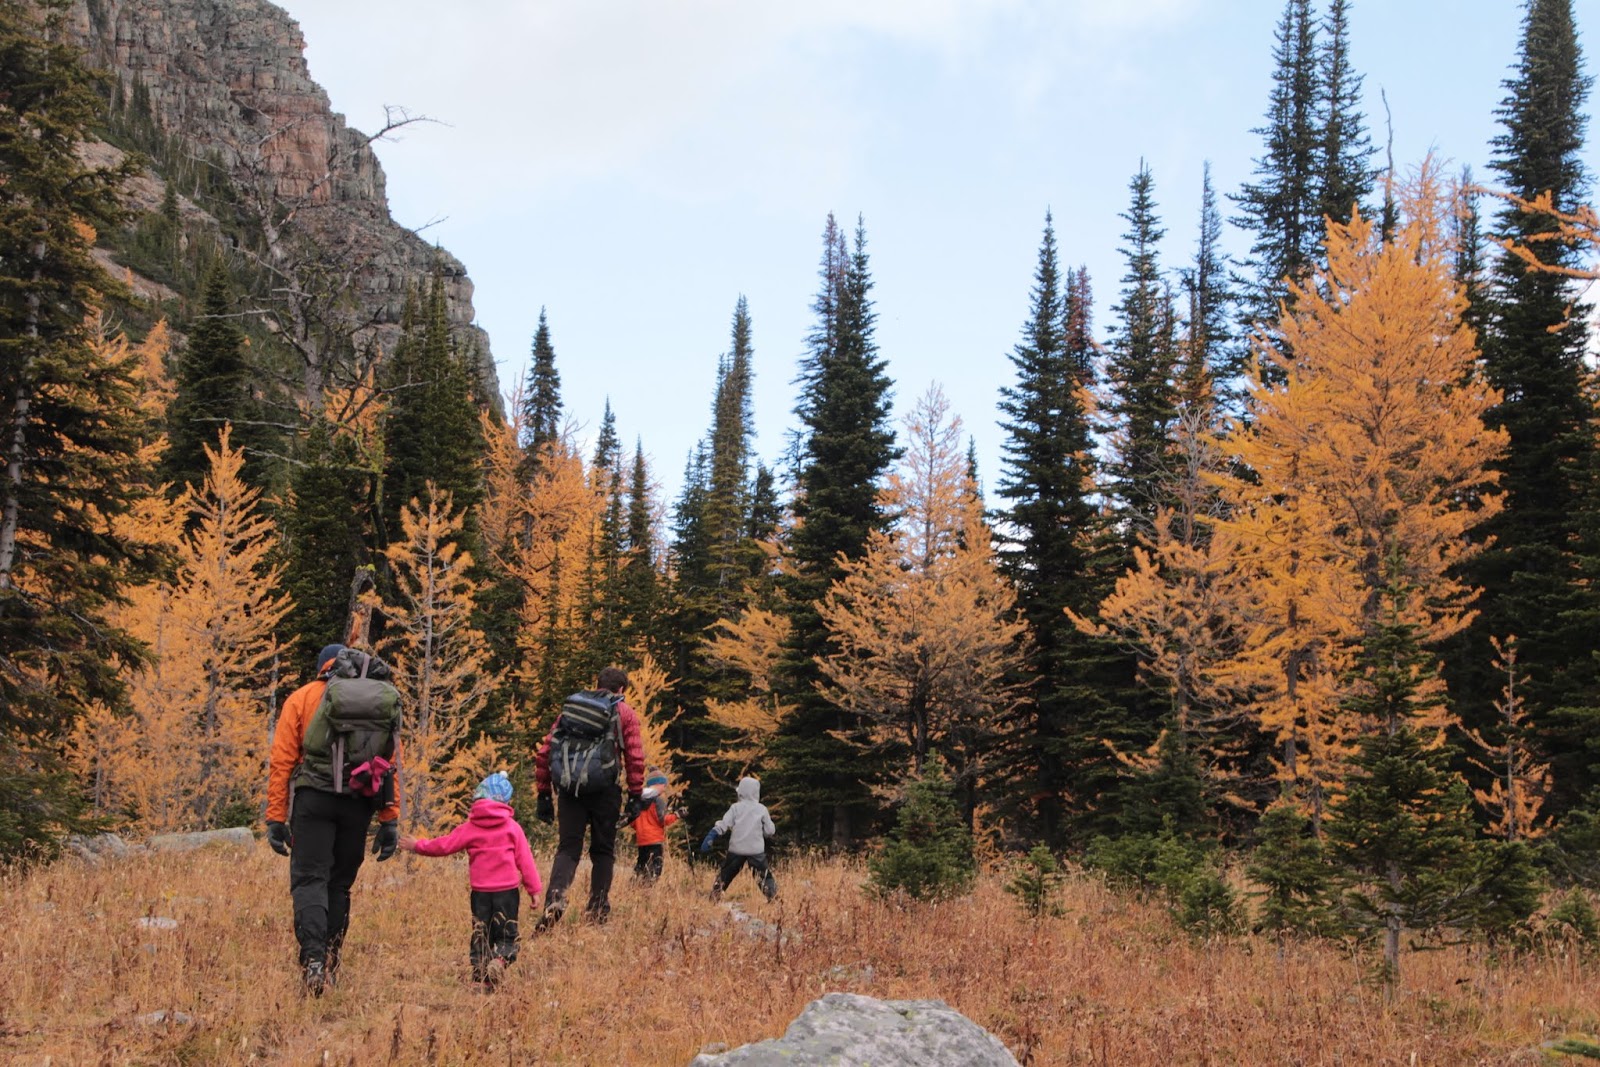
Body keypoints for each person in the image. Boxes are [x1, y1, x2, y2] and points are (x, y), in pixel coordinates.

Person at [265, 643, 403, 995]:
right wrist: (390, 819)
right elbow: (390, 763)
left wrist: (276, 817)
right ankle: (331, 961)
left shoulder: (302, 698)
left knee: (310, 879)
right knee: (339, 885)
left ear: (321, 666)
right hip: (359, 802)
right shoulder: (375, 701)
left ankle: (312, 960)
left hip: (314, 800)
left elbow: (282, 761)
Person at [400, 771, 543, 990]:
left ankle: (482, 980)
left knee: (481, 934)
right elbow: (526, 861)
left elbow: (444, 845)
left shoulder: (469, 828)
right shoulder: (512, 828)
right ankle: (500, 961)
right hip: (507, 893)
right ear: (505, 802)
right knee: (506, 935)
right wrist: (534, 890)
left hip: (480, 894)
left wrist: (418, 845)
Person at [533, 665, 646, 926]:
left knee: (568, 849)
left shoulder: (572, 710)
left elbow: (545, 752)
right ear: (621, 690)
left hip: (570, 790)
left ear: (597, 685)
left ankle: (555, 898)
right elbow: (634, 756)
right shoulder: (624, 712)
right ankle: (597, 911)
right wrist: (635, 795)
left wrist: (544, 795)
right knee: (603, 851)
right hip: (605, 791)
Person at [701, 776, 778, 902]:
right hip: (755, 850)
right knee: (764, 877)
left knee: (725, 875)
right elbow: (770, 831)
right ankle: (773, 898)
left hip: (737, 849)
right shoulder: (761, 809)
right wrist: (763, 833)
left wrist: (712, 835)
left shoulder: (735, 808)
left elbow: (724, 824)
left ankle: (714, 898)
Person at [629, 769, 680, 882]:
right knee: (655, 869)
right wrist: (676, 815)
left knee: (641, 866)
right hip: (654, 840)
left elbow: (631, 821)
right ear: (657, 784)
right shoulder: (658, 800)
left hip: (642, 840)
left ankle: (634, 887)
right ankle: (648, 891)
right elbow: (662, 820)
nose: (664, 788)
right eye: (663, 785)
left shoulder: (639, 800)